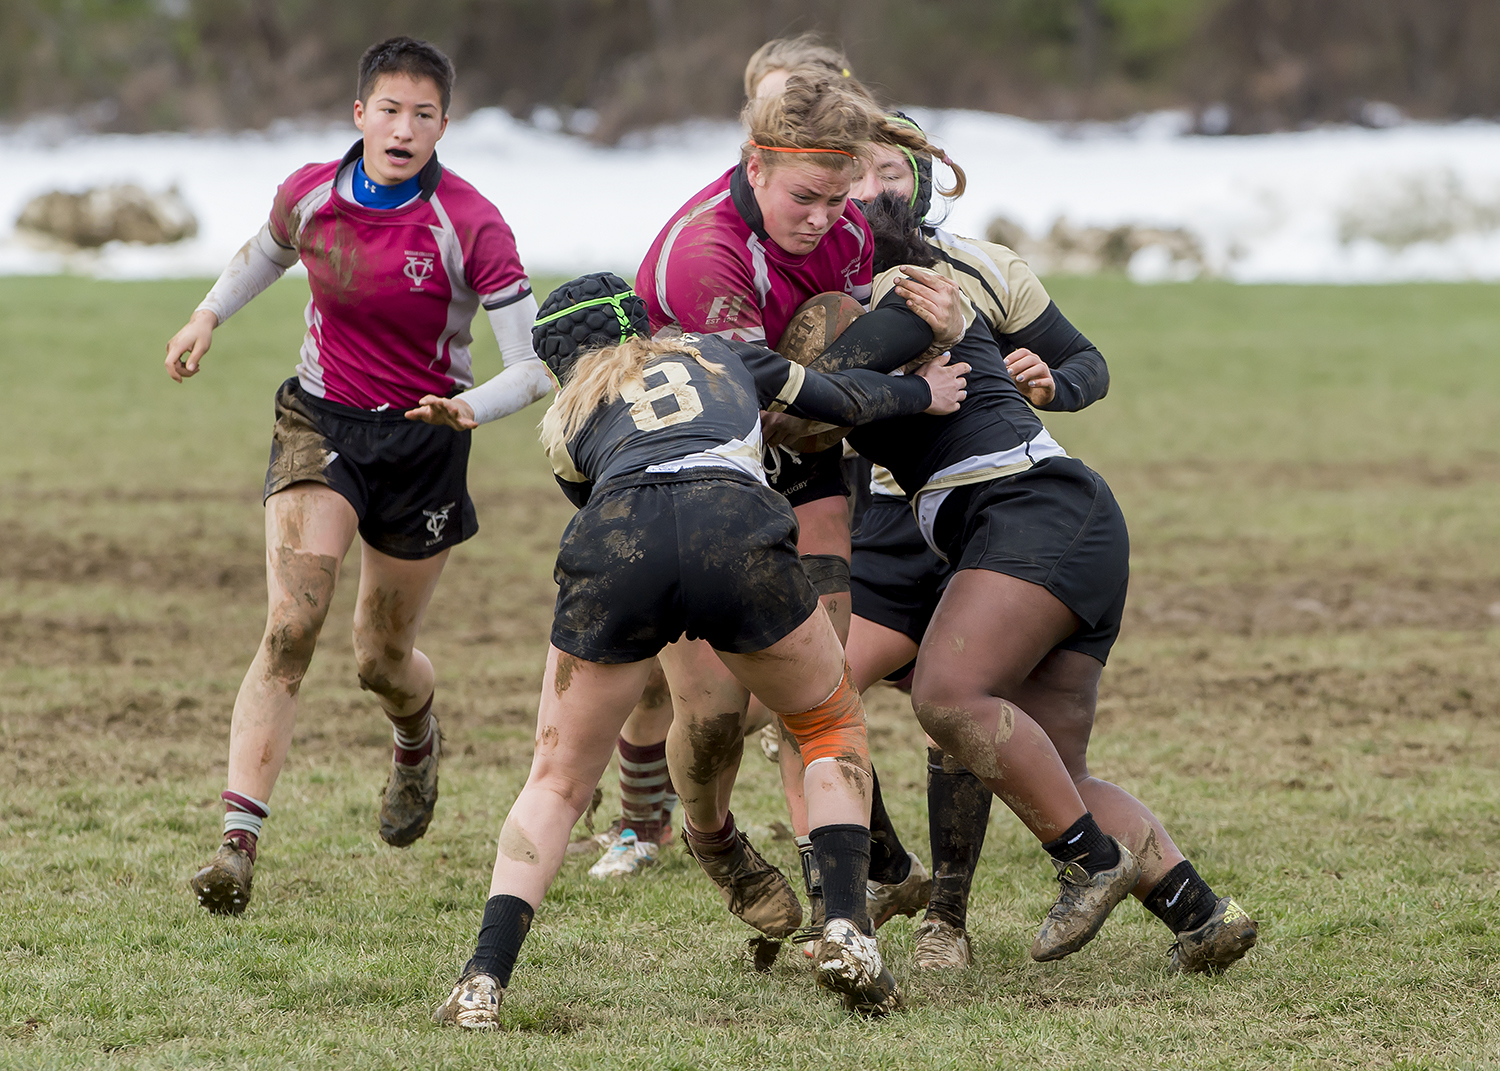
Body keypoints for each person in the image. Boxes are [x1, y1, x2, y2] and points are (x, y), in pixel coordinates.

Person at [433, 273, 970, 1028]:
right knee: (827, 724)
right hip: (734, 520)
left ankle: (482, 981)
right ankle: (848, 927)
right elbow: (835, 401)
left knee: (556, 781)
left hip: (621, 538)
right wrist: (923, 393)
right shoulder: (720, 352)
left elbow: (618, 505)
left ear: (559, 365)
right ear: (643, 324)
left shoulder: (567, 420)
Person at [820, 187, 1258, 972]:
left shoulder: (904, 297)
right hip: (1064, 521)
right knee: (1055, 771)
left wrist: (756, 371)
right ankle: (1199, 915)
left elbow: (812, 389)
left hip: (1031, 512)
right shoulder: (899, 315)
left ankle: (1089, 862)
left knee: (947, 695)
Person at [164, 36, 551, 915]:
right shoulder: (310, 192)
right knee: (291, 625)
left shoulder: (471, 221)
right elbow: (268, 250)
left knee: (380, 658)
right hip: (321, 422)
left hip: (424, 441)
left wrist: (469, 409)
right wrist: (207, 314)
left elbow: (533, 367)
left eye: (423, 114)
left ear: (444, 125)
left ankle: (416, 737)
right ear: (360, 114)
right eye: (389, 110)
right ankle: (236, 844)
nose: (404, 129)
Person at [633, 74, 966, 928]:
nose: (824, 219)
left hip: (805, 468)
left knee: (820, 692)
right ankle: (710, 835)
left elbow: (849, 359)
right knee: (711, 716)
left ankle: (836, 908)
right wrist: (909, 390)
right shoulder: (703, 254)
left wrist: (937, 321)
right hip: (689, 479)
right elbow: (768, 398)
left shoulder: (847, 230)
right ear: (755, 165)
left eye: (838, 197)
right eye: (804, 198)